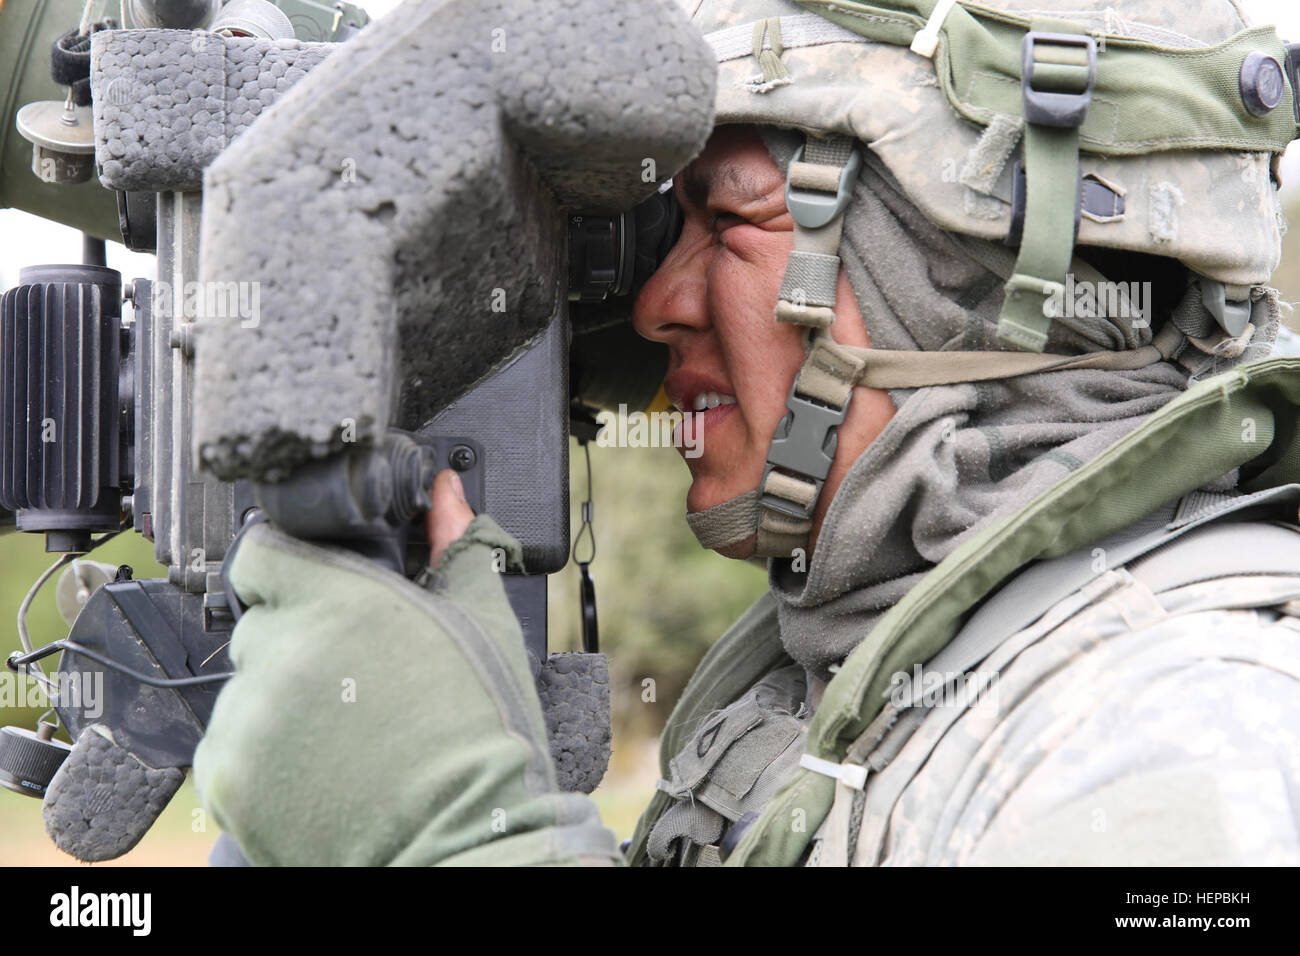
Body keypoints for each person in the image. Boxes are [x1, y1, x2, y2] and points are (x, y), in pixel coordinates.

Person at [193, 0, 1300, 866]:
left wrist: (463, 840)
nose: (653, 306)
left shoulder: (1176, 728)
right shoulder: (846, 683)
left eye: (726, 218)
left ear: (972, 276)